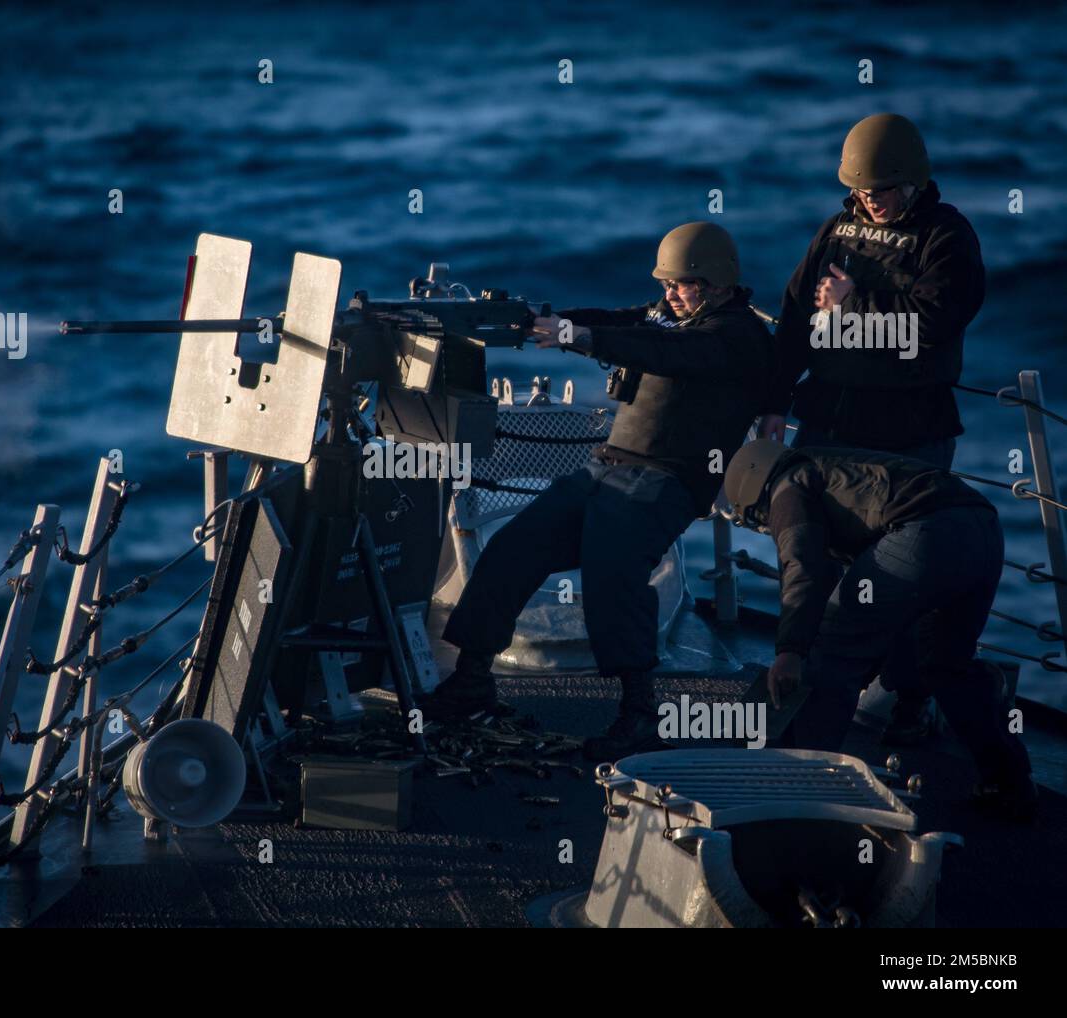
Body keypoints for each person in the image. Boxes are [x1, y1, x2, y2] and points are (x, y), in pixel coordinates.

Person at [423, 222, 774, 761]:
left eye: (681, 284)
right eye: (667, 284)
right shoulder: (672, 315)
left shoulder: (735, 336)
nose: (669, 293)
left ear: (716, 283)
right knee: (514, 548)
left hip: (666, 482)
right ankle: (471, 679)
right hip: (605, 468)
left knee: (614, 572)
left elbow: (662, 351)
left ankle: (639, 713)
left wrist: (581, 340)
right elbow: (625, 323)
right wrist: (553, 322)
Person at [757, 112, 987, 745]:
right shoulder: (838, 229)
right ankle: (814, 688)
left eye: (879, 190)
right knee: (815, 558)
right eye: (859, 190)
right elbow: (797, 316)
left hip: (908, 434)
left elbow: (933, 323)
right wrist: (775, 402)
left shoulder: (947, 238)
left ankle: (905, 700)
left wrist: (853, 304)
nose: (867, 201)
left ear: (912, 182)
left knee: (905, 578)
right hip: (829, 423)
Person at [724, 438, 1035, 822]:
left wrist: (790, 651)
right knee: (945, 665)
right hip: (983, 531)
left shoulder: (789, 485)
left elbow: (803, 567)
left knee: (836, 647)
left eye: (757, 519)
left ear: (755, 493)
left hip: (929, 531)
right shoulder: (832, 467)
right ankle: (1008, 781)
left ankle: (800, 779)